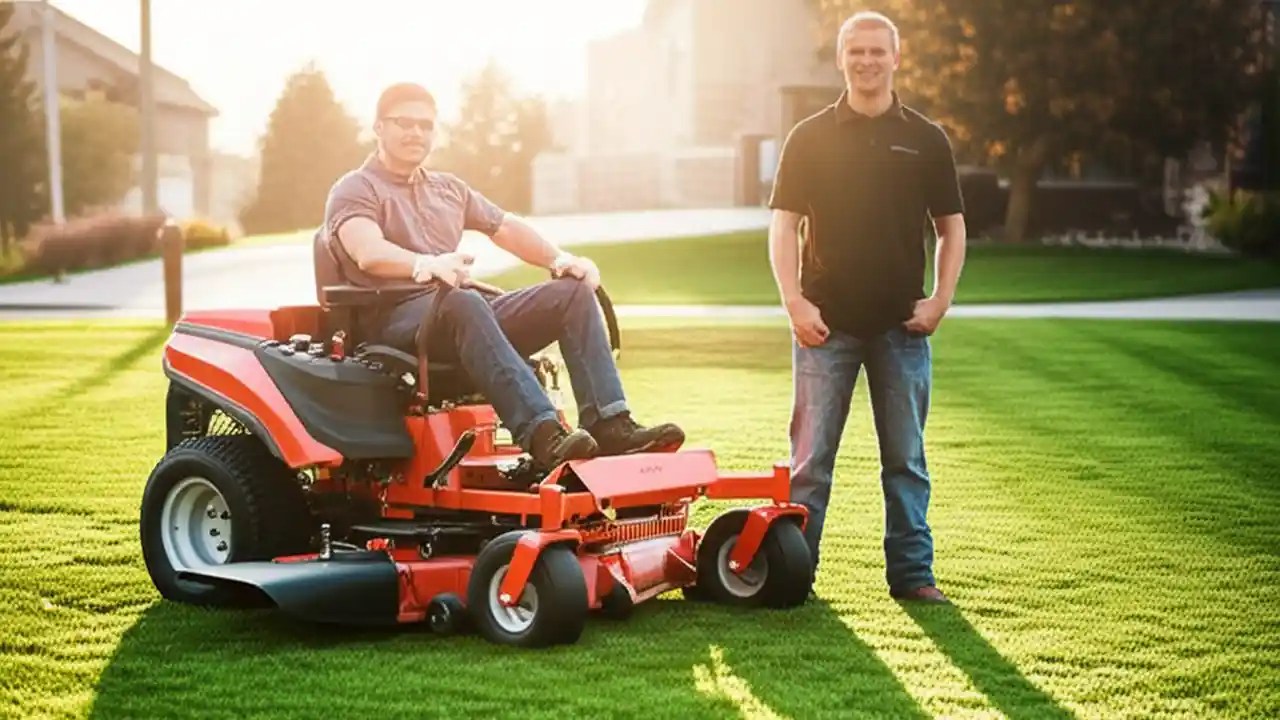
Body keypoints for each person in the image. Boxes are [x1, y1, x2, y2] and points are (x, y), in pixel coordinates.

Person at [323, 82, 684, 470]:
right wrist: (424, 264)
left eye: (425, 125)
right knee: (463, 299)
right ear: (378, 127)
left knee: (571, 293)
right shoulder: (355, 188)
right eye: (403, 123)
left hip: (461, 313)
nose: (416, 133)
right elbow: (367, 252)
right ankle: (543, 434)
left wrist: (559, 258)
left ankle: (609, 424)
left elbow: (505, 227)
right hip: (396, 323)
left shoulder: (448, 189)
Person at [767, 11, 967, 603]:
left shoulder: (927, 139)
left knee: (906, 462)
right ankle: (793, 576)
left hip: (902, 328)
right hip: (823, 327)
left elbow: (952, 229)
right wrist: (793, 302)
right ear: (841, 58)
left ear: (896, 58)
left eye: (879, 52)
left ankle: (913, 577)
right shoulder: (809, 137)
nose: (868, 61)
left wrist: (940, 301)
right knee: (809, 466)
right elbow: (783, 226)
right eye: (857, 52)